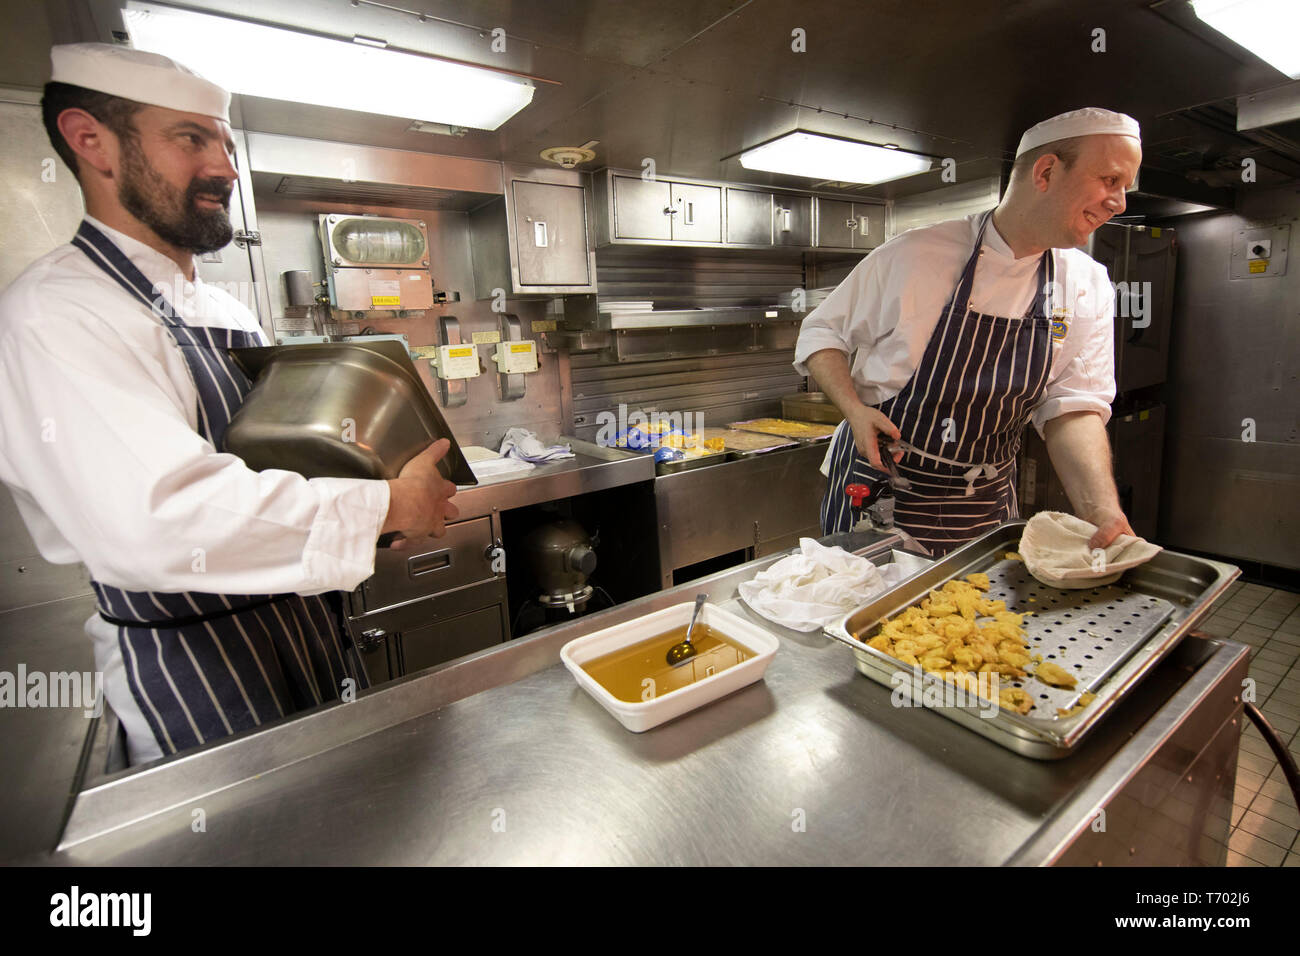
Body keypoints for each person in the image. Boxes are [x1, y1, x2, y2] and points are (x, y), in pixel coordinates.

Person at [0, 44, 459, 765]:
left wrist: (375, 505)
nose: (225, 168)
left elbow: (281, 464)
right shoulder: (55, 314)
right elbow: (161, 521)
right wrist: (389, 507)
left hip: (308, 635)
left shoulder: (221, 311)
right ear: (91, 141)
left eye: (225, 141)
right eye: (190, 138)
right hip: (194, 668)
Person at [795, 107, 1143, 558]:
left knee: (973, 623)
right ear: (1046, 171)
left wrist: (1101, 512)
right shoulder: (916, 255)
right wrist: (854, 410)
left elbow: (1071, 409)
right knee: (864, 619)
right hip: (882, 488)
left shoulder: (1087, 284)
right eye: (1110, 181)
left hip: (983, 504)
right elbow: (822, 332)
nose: (1120, 203)